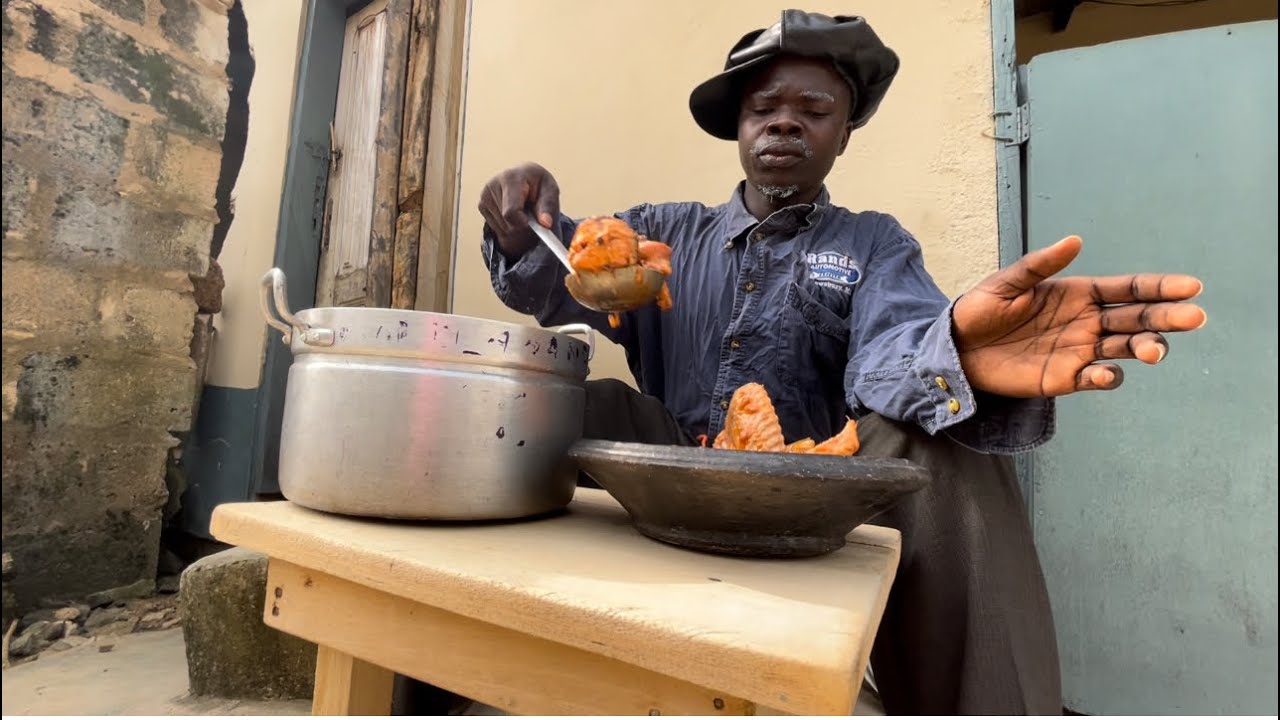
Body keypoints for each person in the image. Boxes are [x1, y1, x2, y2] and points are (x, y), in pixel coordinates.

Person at [461, 10, 1208, 716]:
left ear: (843, 136)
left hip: (816, 488)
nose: (785, 120)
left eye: (814, 110)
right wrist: (523, 230)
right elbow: (564, 283)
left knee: (944, 434)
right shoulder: (661, 233)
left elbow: (892, 351)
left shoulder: (874, 244)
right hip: (671, 466)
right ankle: (450, 654)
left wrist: (956, 352)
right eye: (764, 107)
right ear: (740, 128)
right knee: (552, 395)